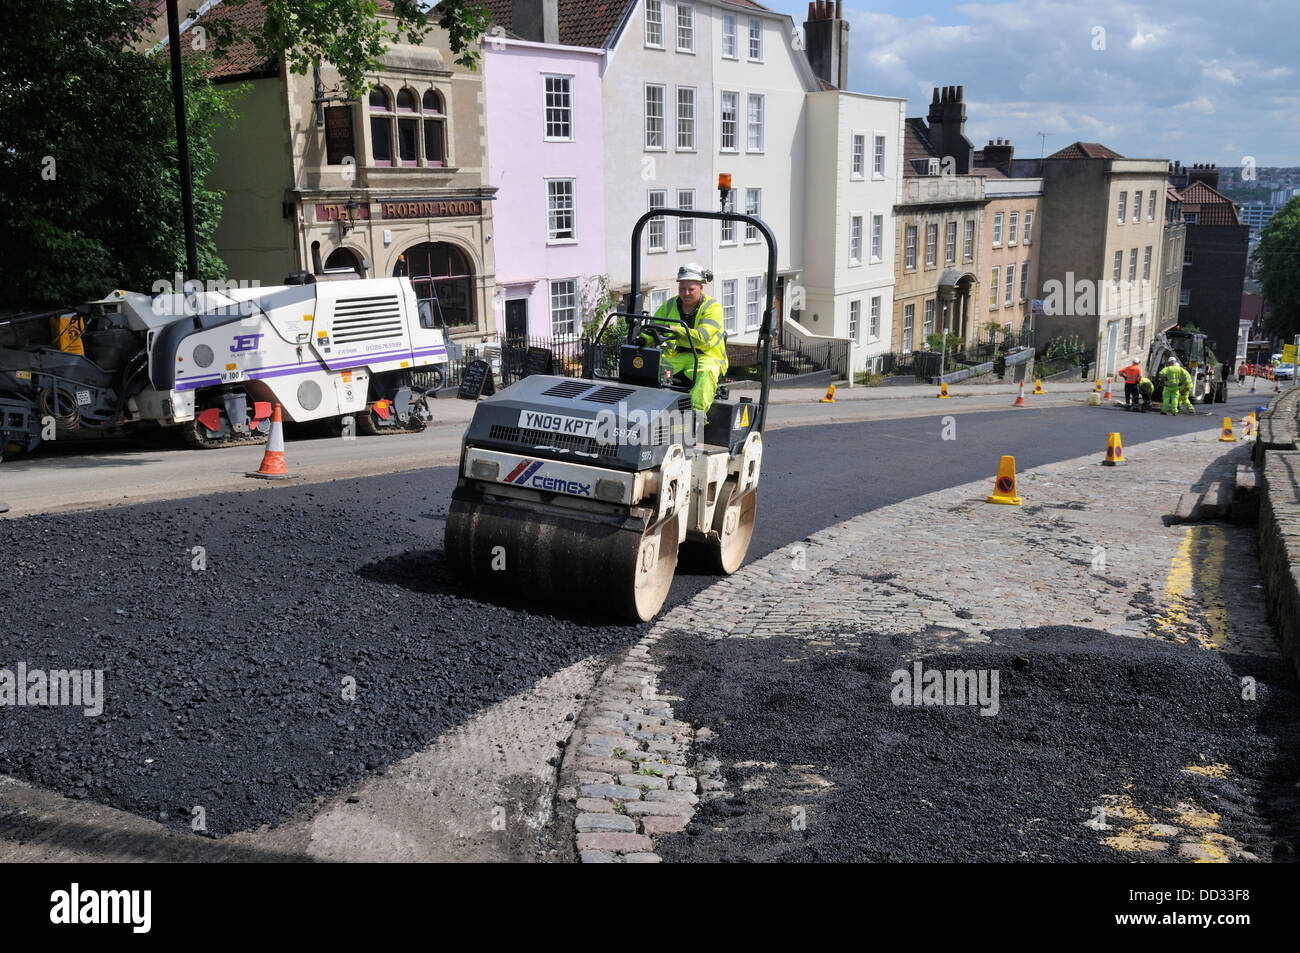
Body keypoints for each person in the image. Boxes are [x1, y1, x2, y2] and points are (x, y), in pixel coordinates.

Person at [647, 263, 729, 415]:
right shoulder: (670, 304)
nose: (686, 293)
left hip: (706, 356)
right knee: (650, 367)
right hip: (676, 355)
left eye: (691, 289)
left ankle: (695, 418)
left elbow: (701, 338)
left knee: (705, 372)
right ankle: (648, 410)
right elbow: (654, 327)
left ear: (701, 288)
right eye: (682, 289)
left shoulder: (713, 308)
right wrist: (643, 340)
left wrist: (674, 330)